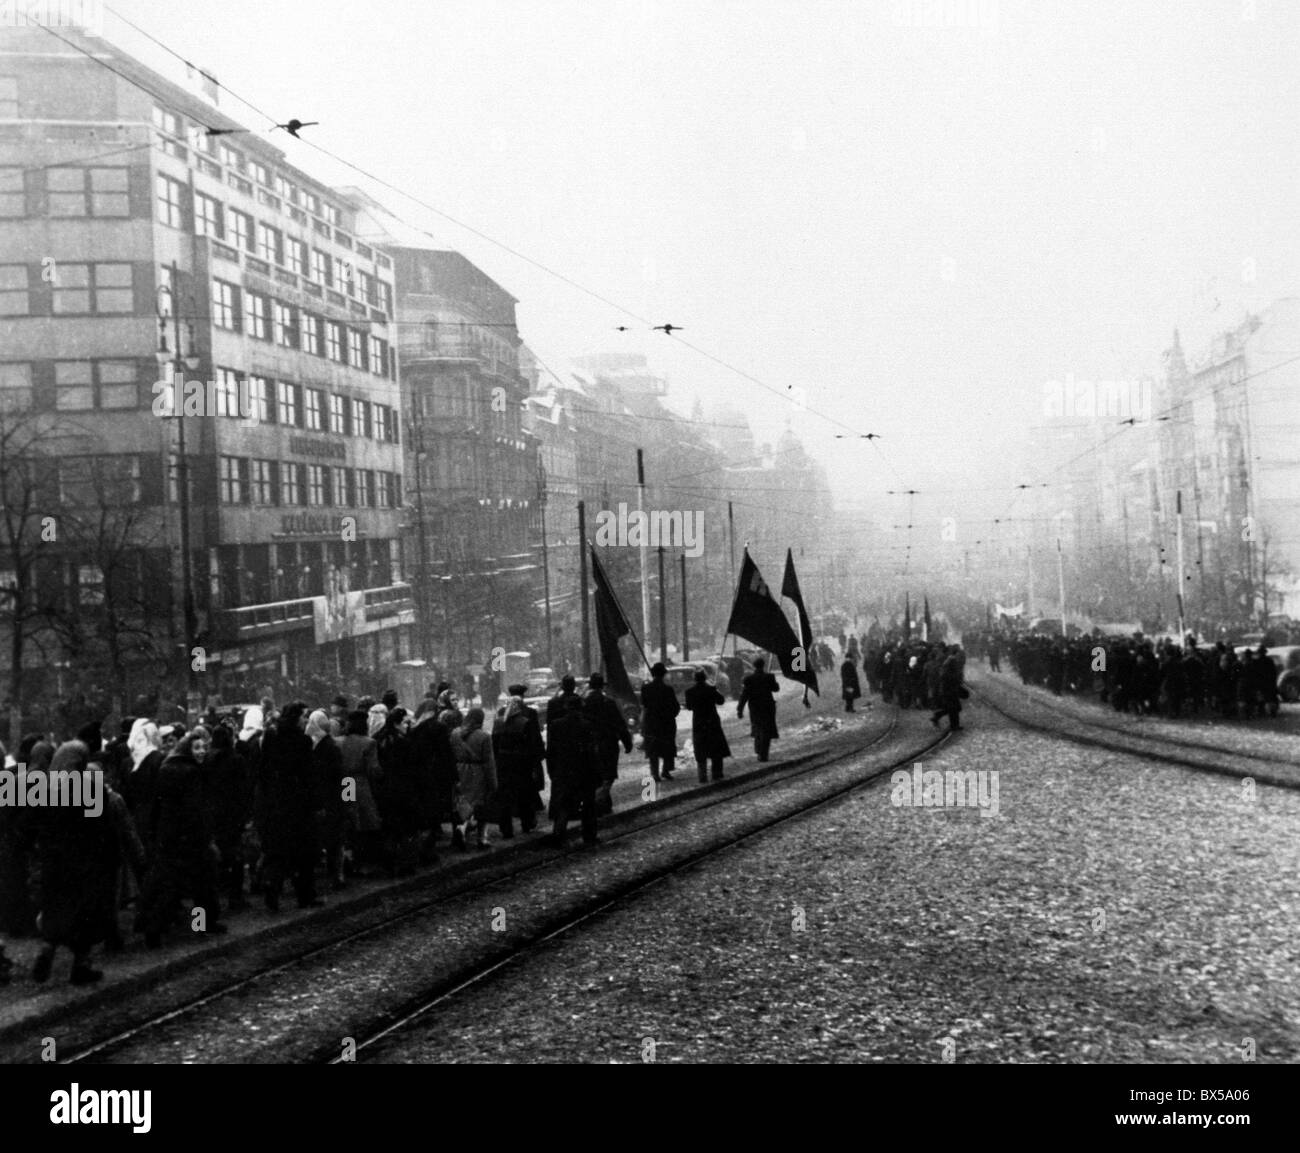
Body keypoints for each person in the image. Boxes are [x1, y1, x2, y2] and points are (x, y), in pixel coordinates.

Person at [135, 727, 225, 948]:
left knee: (169, 887)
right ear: (187, 750)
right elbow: (196, 810)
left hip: (169, 837)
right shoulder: (192, 773)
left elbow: (158, 805)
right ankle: (199, 926)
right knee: (200, 887)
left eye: (203, 747)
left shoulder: (166, 768)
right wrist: (205, 837)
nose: (202, 752)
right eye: (197, 748)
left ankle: (153, 930)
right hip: (192, 839)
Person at [258, 702, 323, 912]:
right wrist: (316, 803)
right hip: (299, 805)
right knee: (305, 853)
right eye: (304, 716)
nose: (306, 720)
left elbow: (263, 771)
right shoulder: (302, 741)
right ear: (296, 718)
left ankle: (272, 888)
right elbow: (309, 776)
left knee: (278, 851)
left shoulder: (271, 736)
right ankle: (305, 896)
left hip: (275, 804)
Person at [406, 698, 458, 863]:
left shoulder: (414, 729)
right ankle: (429, 847)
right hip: (437, 773)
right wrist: (454, 776)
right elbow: (446, 753)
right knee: (438, 805)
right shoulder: (438, 728)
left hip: (420, 775)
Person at [544, 695, 599, 846]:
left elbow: (550, 751)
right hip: (584, 771)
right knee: (588, 805)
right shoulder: (587, 725)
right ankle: (589, 836)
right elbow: (592, 752)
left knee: (562, 805)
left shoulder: (555, 725)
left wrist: (551, 771)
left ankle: (558, 835)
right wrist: (596, 772)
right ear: (580, 709)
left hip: (563, 771)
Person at [336, 709, 384, 873]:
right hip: (360, 783)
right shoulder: (369, 742)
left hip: (345, 783)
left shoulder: (338, 741)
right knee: (365, 820)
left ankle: (348, 857)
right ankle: (363, 861)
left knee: (349, 817)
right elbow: (373, 769)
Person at [492, 696, 544, 838]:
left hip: (503, 764)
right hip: (521, 764)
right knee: (524, 796)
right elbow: (531, 746)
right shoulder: (524, 722)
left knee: (505, 798)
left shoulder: (498, 723)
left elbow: (494, 746)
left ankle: (506, 829)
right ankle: (526, 824)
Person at [583, 672, 632, 810]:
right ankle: (599, 801)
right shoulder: (608, 702)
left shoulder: (583, 702)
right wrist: (627, 742)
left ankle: (603, 802)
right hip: (608, 742)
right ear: (602, 687)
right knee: (609, 774)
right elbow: (620, 724)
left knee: (596, 774)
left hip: (590, 743)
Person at [449, 708, 496, 851]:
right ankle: (482, 838)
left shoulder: (455, 733)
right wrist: (493, 782)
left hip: (460, 770)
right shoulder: (484, 737)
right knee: (481, 805)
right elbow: (489, 762)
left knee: (464, 802)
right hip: (477, 772)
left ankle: (461, 828)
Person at [684, 668, 731, 782]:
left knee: (701, 749)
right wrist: (715, 690)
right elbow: (721, 701)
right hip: (712, 721)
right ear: (705, 677)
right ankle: (717, 773)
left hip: (699, 722)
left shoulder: (689, 692)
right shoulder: (711, 689)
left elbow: (689, 707)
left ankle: (702, 776)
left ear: (694, 679)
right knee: (716, 748)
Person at [639, 662, 681, 781]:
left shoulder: (646, 689)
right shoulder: (668, 689)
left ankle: (655, 773)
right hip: (666, 723)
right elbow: (675, 707)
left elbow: (644, 706)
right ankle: (666, 771)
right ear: (663, 675)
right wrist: (671, 715)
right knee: (667, 747)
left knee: (653, 750)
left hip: (651, 723)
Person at [737, 657, 780, 762]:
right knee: (767, 730)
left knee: (757, 728)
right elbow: (776, 689)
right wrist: (774, 682)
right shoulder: (769, 677)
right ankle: (763, 753)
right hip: (768, 707)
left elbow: (744, 695)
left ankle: (759, 750)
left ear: (753, 666)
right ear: (763, 665)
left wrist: (740, 709)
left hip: (755, 708)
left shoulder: (748, 679)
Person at [931, 645, 966, 732]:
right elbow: (949, 677)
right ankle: (953, 725)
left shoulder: (949, 661)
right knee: (954, 708)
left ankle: (939, 717)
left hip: (949, 689)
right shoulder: (951, 661)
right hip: (949, 690)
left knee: (954, 708)